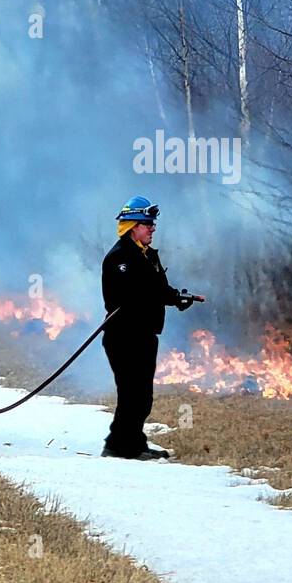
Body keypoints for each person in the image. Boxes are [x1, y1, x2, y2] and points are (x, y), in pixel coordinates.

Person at [100, 196, 202, 460]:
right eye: (147, 224)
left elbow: (156, 290)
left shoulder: (146, 255)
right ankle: (125, 447)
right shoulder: (120, 257)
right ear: (132, 226)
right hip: (123, 336)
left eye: (153, 224)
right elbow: (129, 297)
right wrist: (160, 297)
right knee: (133, 392)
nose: (152, 229)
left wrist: (179, 297)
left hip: (144, 335)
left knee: (141, 394)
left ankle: (124, 443)